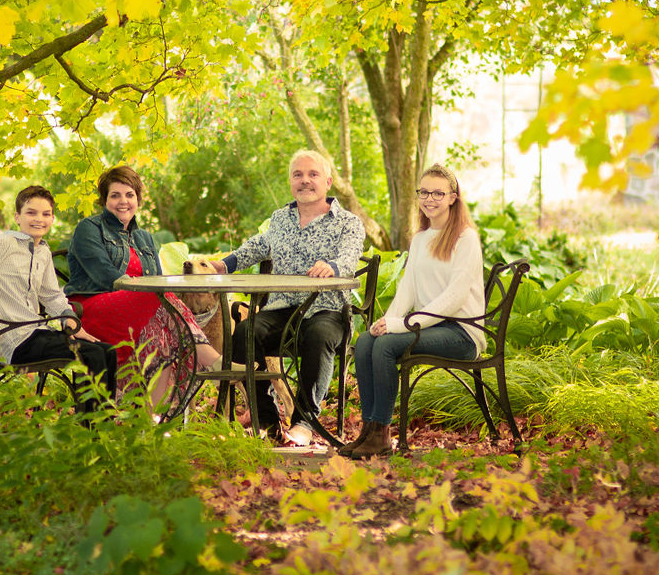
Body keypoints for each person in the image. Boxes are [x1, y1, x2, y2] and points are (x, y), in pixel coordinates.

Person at [210, 149, 366, 446]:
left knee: (318, 336)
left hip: (328, 310)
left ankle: (305, 423)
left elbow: (349, 257)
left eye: (313, 174)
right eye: (298, 175)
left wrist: (332, 267)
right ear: (290, 181)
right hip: (282, 308)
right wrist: (224, 264)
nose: (305, 180)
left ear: (328, 182)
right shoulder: (280, 218)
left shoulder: (348, 222)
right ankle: (266, 423)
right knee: (245, 332)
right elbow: (257, 246)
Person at [340, 164, 484, 459]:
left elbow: (455, 298)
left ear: (453, 197)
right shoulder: (420, 238)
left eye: (438, 193)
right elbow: (408, 287)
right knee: (368, 340)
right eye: (424, 192)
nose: (429, 199)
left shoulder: (466, 238)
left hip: (462, 332)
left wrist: (404, 325)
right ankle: (369, 429)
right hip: (431, 327)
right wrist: (387, 321)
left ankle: (382, 433)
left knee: (387, 346)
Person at [0, 185, 118, 422]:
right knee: (91, 355)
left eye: (46, 214)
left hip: (37, 334)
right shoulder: (3, 245)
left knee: (106, 350)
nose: (39, 219)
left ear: (52, 218)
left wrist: (70, 318)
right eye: (31, 213)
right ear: (17, 217)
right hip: (14, 340)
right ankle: (95, 431)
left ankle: (99, 423)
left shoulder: (43, 252)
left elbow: (51, 295)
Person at [65, 164, 221, 409]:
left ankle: (151, 423)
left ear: (138, 199)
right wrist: (145, 290)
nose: (123, 201)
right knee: (153, 295)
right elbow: (104, 275)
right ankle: (211, 358)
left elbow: (156, 281)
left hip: (141, 313)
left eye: (130, 195)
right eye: (115, 195)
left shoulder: (145, 238)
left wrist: (151, 290)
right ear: (104, 200)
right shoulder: (90, 229)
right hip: (93, 308)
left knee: (162, 338)